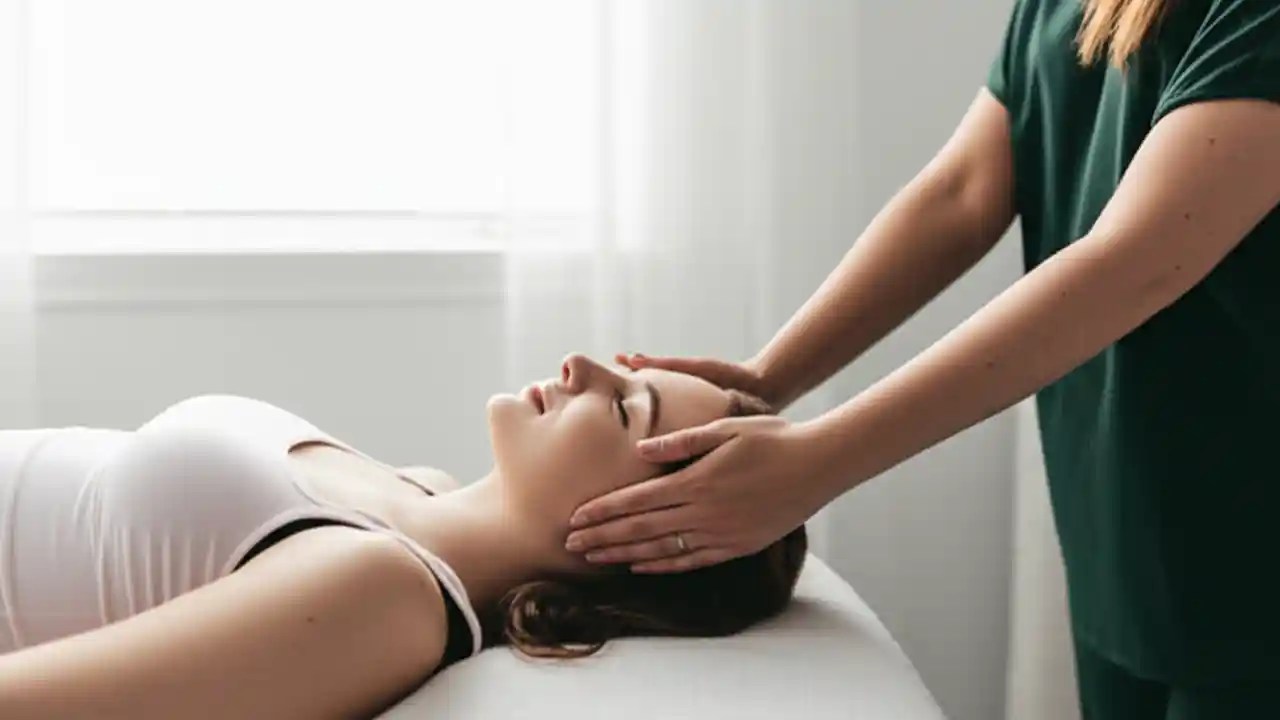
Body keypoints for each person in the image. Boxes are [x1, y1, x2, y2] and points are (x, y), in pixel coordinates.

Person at [563, 1, 1280, 716]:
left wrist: (819, 461)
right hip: (1124, 533)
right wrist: (767, 378)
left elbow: (1134, 262)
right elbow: (961, 194)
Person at [0, 353, 807, 719]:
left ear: (649, 535)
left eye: (628, 407)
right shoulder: (423, 489)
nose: (582, 366)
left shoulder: (384, 599)